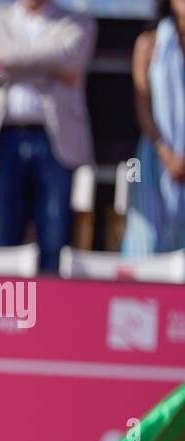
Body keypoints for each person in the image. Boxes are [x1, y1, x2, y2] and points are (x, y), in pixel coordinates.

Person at [0, 0, 96, 273]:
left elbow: (71, 64)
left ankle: (52, 310)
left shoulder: (80, 22)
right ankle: (2, 308)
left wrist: (5, 60)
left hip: (55, 141)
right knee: (4, 229)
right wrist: (48, 65)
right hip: (3, 138)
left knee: (54, 232)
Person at [123, 0, 185, 256]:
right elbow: (143, 106)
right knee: (145, 237)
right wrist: (167, 153)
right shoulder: (148, 43)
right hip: (153, 157)